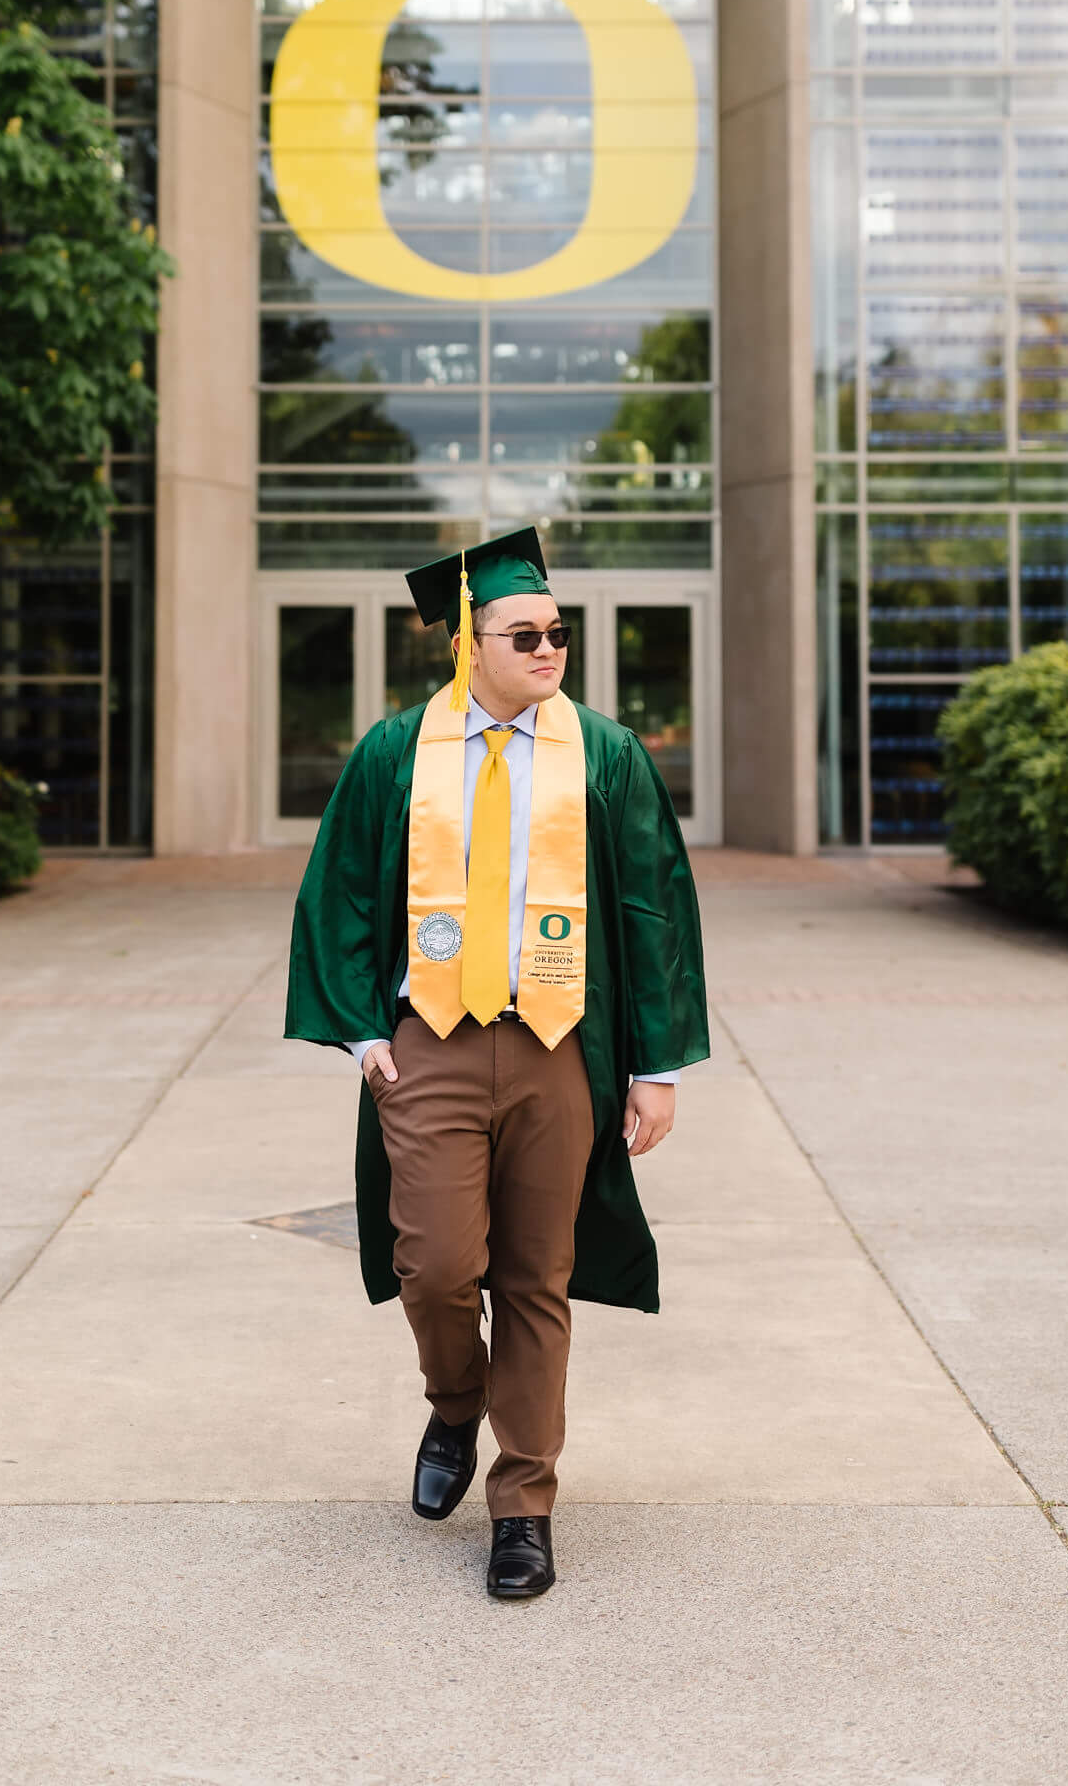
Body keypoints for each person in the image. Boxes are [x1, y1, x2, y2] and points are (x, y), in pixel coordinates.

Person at [284, 526, 709, 1600]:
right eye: (527, 634)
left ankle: (524, 1502)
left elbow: (653, 909)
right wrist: (363, 1033)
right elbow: (339, 891)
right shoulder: (396, 751)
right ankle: (453, 1404)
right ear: (470, 642)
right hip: (428, 1039)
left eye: (559, 633)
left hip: (559, 1042)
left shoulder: (603, 754)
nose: (549, 649)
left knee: (536, 1276)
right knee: (434, 1265)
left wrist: (654, 1065)